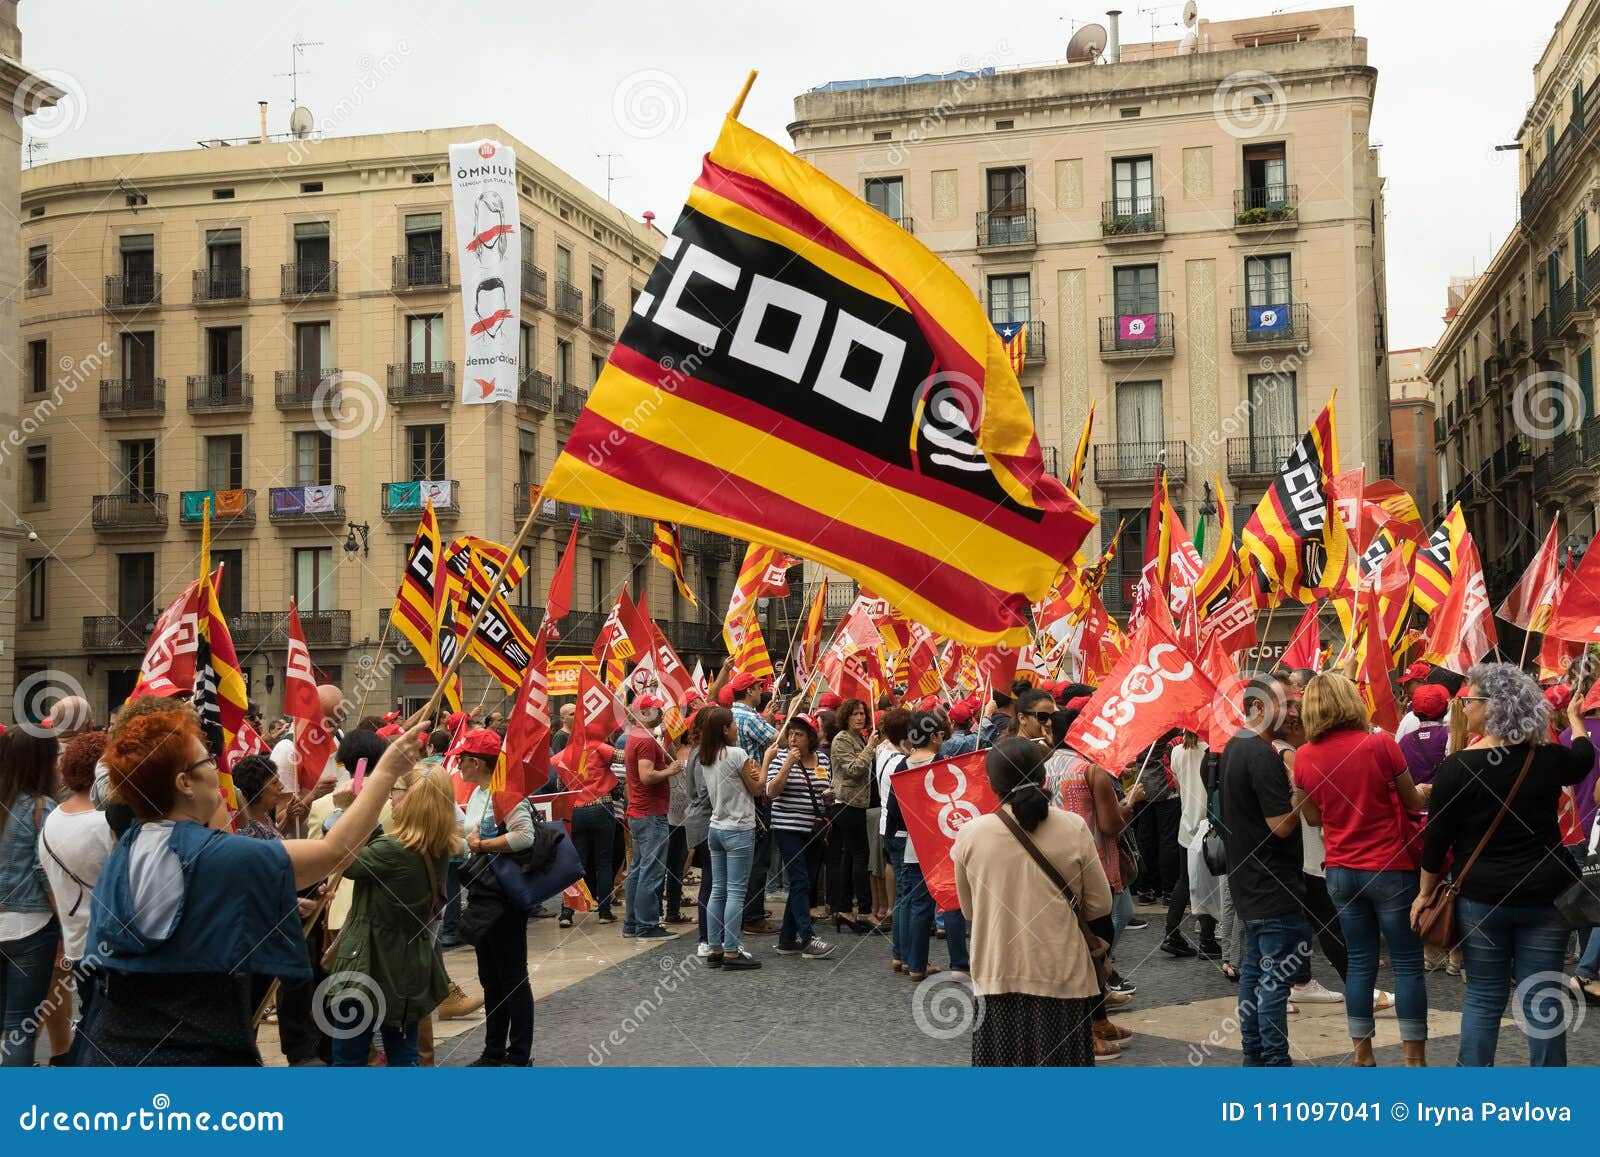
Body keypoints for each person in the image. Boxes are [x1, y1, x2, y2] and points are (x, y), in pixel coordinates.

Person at [83, 707, 422, 1066]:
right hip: (192, 1057)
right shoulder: (214, 853)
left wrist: (275, 902)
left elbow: (187, 910)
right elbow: (333, 853)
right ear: (184, 783)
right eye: (208, 761)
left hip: (110, 1051)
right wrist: (385, 773)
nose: (218, 769)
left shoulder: (127, 846)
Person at [1416, 663, 1591, 1066]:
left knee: (1484, 995)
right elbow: (1582, 759)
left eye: (1469, 700)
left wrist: (1425, 894)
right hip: (1545, 894)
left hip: (1482, 896)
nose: (1463, 707)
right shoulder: (1548, 758)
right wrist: (1576, 720)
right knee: (1542, 995)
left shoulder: (1457, 768)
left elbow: (1436, 840)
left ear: (1494, 706)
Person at [1294, 673, 1430, 1066]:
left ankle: (1362, 1053)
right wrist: (1426, 791)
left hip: (1340, 869)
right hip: (1389, 867)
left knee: (1358, 962)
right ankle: (1413, 1058)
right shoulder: (1380, 744)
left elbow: (1313, 818)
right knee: (1407, 963)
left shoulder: (1303, 755)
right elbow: (1411, 801)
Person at [952, 737, 1114, 1066]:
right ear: (1043, 777)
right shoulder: (1073, 827)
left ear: (992, 785)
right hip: (1063, 974)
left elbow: (969, 910)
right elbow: (1100, 904)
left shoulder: (971, 834)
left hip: (997, 973)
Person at [325, 764, 457, 1067]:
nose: (390, 798)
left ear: (412, 798)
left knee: (348, 1058)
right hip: (406, 968)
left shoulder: (395, 850)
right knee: (404, 1053)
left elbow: (339, 856)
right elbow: (378, 850)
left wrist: (344, 811)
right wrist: (364, 812)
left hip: (368, 964)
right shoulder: (435, 847)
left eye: (394, 791)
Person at [1219, 674, 1312, 1067]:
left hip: (1250, 883)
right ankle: (1275, 1062)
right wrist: (1301, 790)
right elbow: (1282, 825)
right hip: (1273, 886)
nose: (1293, 711)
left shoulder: (1235, 745)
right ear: (1258, 707)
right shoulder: (1261, 754)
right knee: (1273, 982)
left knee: (1255, 975)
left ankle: (1254, 1057)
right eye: (1285, 703)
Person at [231, 752, 328, 1066]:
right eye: (273, 783)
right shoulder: (244, 830)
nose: (280, 788)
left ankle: (300, 1051)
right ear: (255, 788)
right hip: (262, 928)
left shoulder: (267, 818)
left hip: (284, 920)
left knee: (295, 985)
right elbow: (260, 875)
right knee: (257, 995)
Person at [457, 727, 539, 1066]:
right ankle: (492, 1051)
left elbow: (525, 836)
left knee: (513, 977)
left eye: (461, 759)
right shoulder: (480, 793)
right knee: (490, 977)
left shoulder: (506, 791)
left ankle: (519, 1054)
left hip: (504, 896)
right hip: (482, 892)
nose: (458, 765)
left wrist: (483, 845)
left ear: (476, 762)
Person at [37, 730, 115, 1066]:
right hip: (108, 942)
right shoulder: (104, 823)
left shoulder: (52, 818)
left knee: (92, 1017)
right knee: (102, 1027)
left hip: (76, 941)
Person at [0, 728, 61, 1066]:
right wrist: (65, 925)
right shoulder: (42, 807)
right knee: (20, 1027)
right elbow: (44, 872)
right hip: (31, 927)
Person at [697, 707, 764, 970]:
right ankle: (732, 951)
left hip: (716, 828)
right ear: (725, 729)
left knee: (718, 889)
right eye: (734, 723)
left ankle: (715, 948)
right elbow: (757, 789)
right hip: (738, 828)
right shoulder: (736, 754)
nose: (737, 727)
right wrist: (766, 763)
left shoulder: (706, 756)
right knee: (736, 891)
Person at [765, 715, 835, 959]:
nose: (793, 739)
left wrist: (829, 794)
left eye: (799, 735)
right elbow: (771, 792)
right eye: (791, 734)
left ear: (811, 738)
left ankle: (786, 940)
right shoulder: (780, 758)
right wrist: (787, 765)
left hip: (814, 829)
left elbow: (828, 786)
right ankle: (807, 938)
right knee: (800, 880)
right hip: (787, 828)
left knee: (803, 883)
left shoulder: (822, 759)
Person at [622, 695, 682, 940]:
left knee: (638, 868)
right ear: (645, 712)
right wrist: (671, 770)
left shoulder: (638, 736)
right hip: (650, 813)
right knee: (651, 870)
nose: (661, 714)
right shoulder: (645, 740)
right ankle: (646, 926)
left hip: (641, 812)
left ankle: (632, 923)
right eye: (657, 710)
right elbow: (647, 776)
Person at [729, 674, 779, 936]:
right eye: (759, 687)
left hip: (733, 797)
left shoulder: (729, 715)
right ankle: (753, 916)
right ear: (749, 691)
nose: (762, 691)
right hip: (755, 795)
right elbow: (780, 741)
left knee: (738, 860)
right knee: (759, 857)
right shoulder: (749, 717)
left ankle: (742, 912)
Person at [826, 698, 877, 932]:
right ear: (846, 717)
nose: (860, 717)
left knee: (849, 857)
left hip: (858, 803)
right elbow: (854, 770)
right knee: (860, 856)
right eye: (855, 713)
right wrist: (870, 748)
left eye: (862, 713)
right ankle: (864, 911)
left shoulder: (860, 738)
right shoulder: (842, 739)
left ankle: (844, 909)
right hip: (847, 803)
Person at [1397, 683, 1451, 786]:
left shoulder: (1404, 741)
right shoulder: (1450, 735)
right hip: (1443, 795)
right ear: (1446, 709)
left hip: (1414, 795)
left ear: (1414, 712)